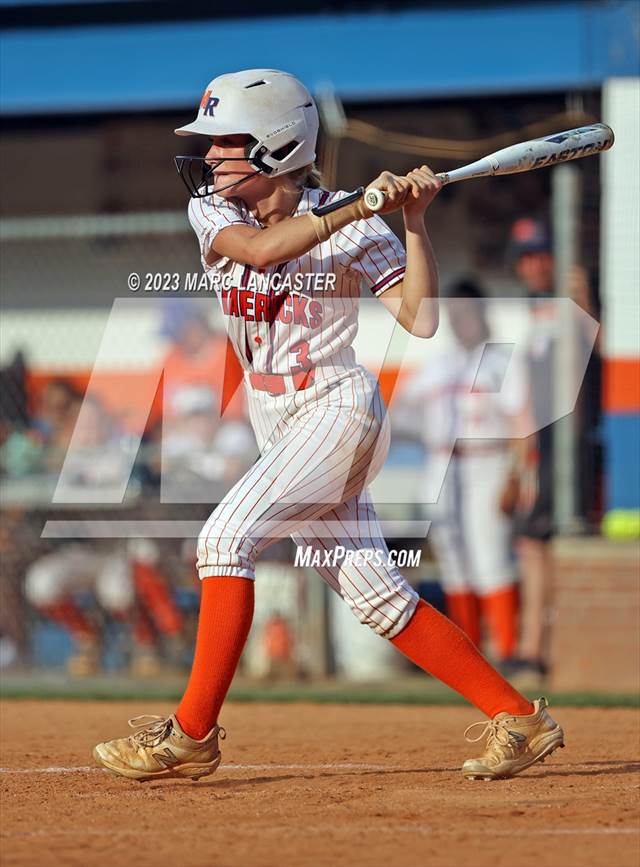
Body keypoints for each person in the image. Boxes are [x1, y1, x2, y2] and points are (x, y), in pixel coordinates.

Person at [93, 69, 563, 782]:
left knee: (223, 537)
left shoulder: (354, 222)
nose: (211, 157)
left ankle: (191, 733)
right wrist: (354, 208)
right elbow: (264, 252)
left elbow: (421, 316)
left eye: (226, 143)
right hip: (275, 416)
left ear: (276, 148)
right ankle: (520, 717)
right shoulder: (216, 216)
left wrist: (411, 220)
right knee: (375, 591)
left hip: (338, 408)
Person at [400, 280, 527, 663]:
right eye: (453, 313)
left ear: (482, 312)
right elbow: (401, 411)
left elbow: (522, 424)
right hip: (441, 464)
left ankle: (505, 653)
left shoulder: (502, 360)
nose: (459, 321)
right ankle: (468, 657)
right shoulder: (440, 365)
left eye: (466, 312)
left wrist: (515, 476)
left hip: (487, 461)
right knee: (454, 561)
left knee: (490, 558)